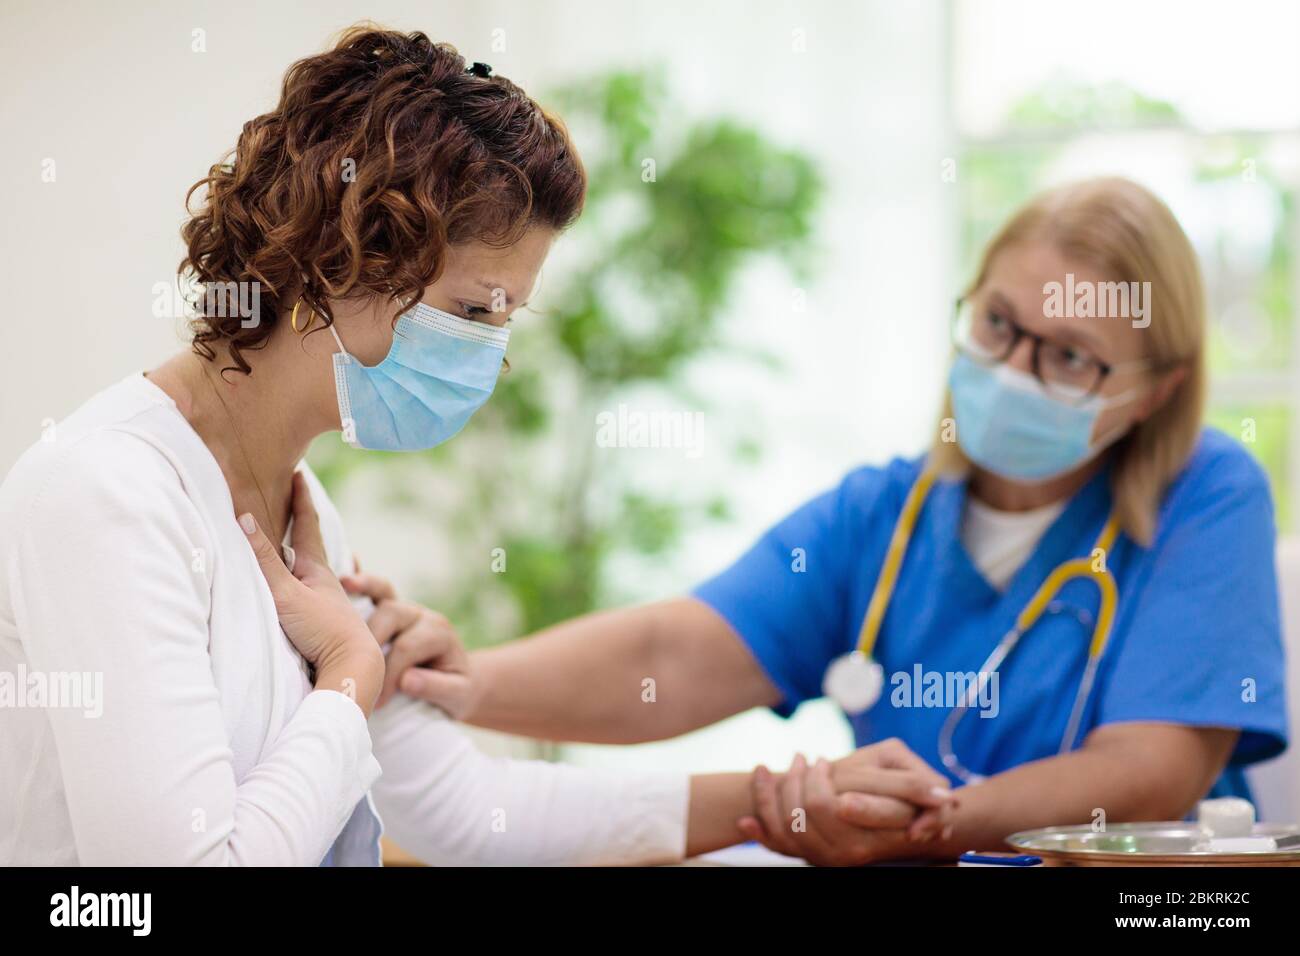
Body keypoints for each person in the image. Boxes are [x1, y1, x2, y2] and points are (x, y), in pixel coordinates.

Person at [0, 26, 954, 866]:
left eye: (506, 320)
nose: (491, 361)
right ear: (336, 258)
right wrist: (348, 679)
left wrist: (779, 803)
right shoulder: (106, 494)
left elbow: (469, 812)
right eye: (473, 312)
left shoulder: (302, 512)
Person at [371, 177, 1289, 865]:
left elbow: (1155, 766)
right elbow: (670, 656)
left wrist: (923, 825)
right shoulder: (880, 516)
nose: (1014, 370)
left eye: (1070, 357)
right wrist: (467, 681)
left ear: (1153, 391)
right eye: (998, 325)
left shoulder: (1208, 495)